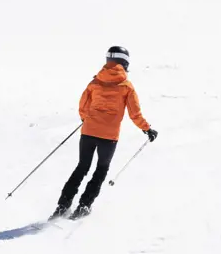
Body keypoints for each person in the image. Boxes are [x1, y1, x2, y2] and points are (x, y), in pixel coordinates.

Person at [52, 46, 158, 221]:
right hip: (108, 137)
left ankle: (62, 206)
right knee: (101, 170)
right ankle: (84, 206)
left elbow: (83, 105)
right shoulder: (126, 87)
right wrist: (147, 129)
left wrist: (86, 120)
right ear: (125, 62)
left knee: (82, 167)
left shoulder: (95, 82)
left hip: (88, 132)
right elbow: (134, 114)